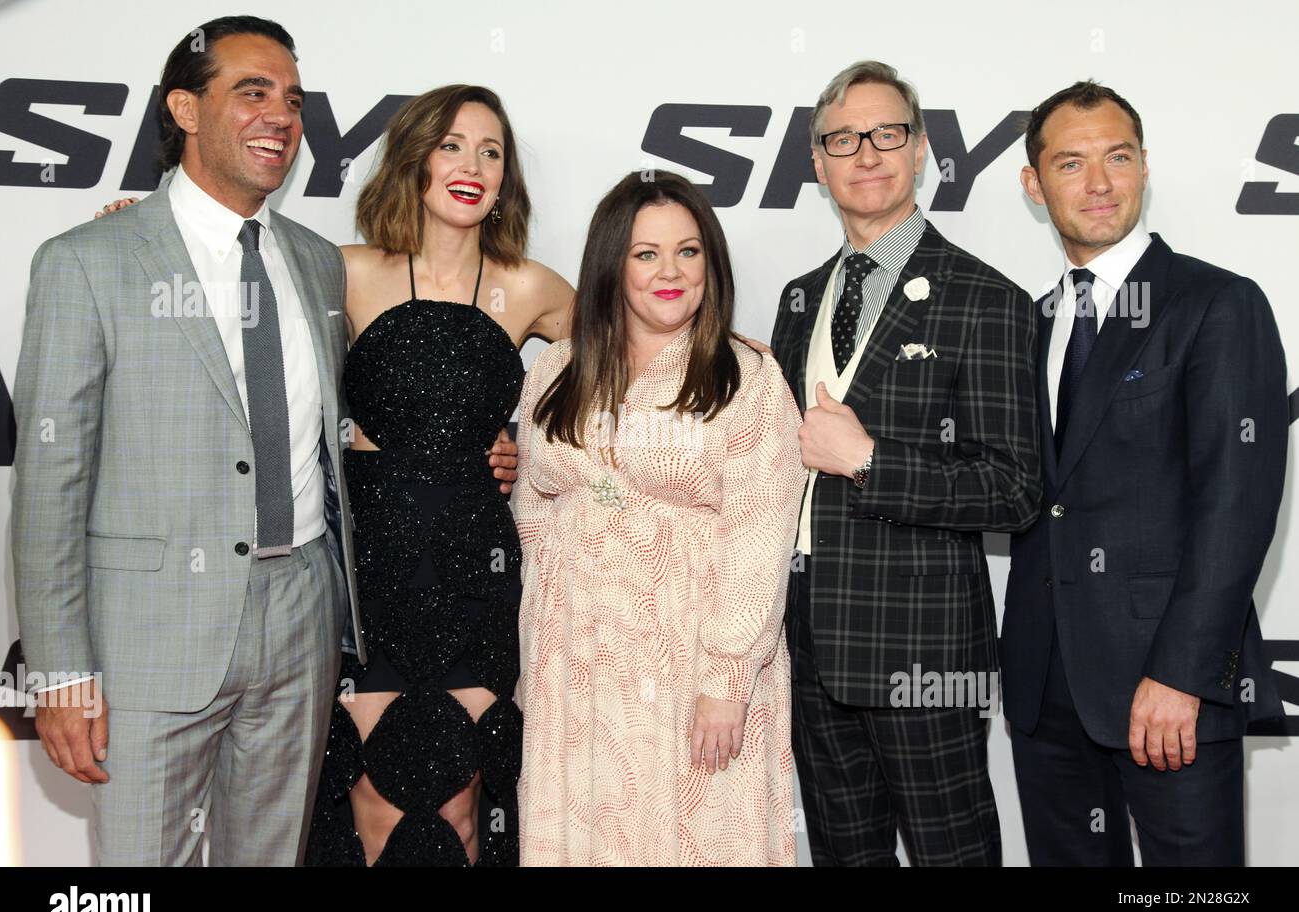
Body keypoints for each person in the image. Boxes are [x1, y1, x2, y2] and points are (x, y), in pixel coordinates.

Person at [14, 15, 361, 866]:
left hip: (300, 613)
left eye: (292, 98)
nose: (281, 114)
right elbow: (50, 481)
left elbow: (318, 435)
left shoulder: (318, 261)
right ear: (185, 109)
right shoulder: (91, 261)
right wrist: (61, 669)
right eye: (252, 92)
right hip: (149, 632)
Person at [1002, 81, 1288, 866]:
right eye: (1071, 163)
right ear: (1034, 184)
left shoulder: (1217, 304)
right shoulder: (1030, 323)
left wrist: (1181, 675)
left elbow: (1237, 507)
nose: (1099, 183)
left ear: (1144, 168)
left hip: (1166, 690)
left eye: (1117, 157)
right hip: (1044, 692)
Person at [770, 61, 1040, 866]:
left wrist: (869, 461)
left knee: (951, 855)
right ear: (817, 162)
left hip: (922, 652)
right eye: (843, 139)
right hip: (805, 641)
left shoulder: (986, 299)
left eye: (888, 134)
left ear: (921, 150)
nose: (867, 153)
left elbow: (1016, 489)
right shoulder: (797, 298)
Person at [303, 85, 572, 867]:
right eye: (452, 145)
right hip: (371, 572)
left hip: (475, 574)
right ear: (415, 158)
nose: (473, 165)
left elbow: (641, 352)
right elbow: (227, 301)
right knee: (373, 803)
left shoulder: (527, 285)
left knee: (462, 805)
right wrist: (134, 229)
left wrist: (530, 443)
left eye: (492, 151)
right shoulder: (342, 271)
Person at [513, 170, 804, 866]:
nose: (669, 272)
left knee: (700, 837)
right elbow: (532, 508)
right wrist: (540, 650)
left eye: (688, 251)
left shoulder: (747, 377)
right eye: (646, 253)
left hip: (694, 665)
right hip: (576, 666)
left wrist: (726, 681)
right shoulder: (554, 370)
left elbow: (760, 538)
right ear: (613, 263)